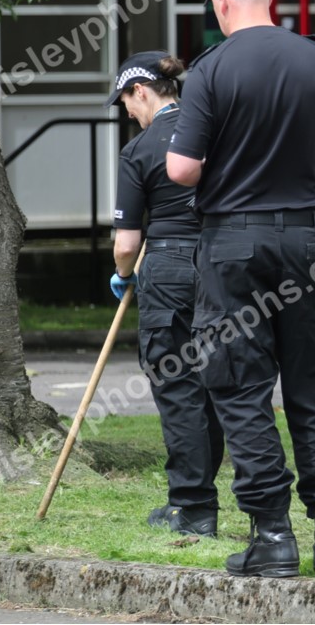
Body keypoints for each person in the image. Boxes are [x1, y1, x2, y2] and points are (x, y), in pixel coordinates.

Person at [165, 0, 315, 580]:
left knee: (241, 388)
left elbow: (180, 169)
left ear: (222, 2)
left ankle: (272, 537)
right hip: (309, 244)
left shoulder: (210, 70)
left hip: (232, 248)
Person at [108, 50, 225, 537]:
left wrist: (124, 274)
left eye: (125, 103)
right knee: (221, 384)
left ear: (141, 91)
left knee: (177, 388)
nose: (127, 114)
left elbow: (127, 242)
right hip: (223, 265)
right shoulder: (214, 133)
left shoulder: (139, 151)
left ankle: (193, 508)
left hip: (169, 271)